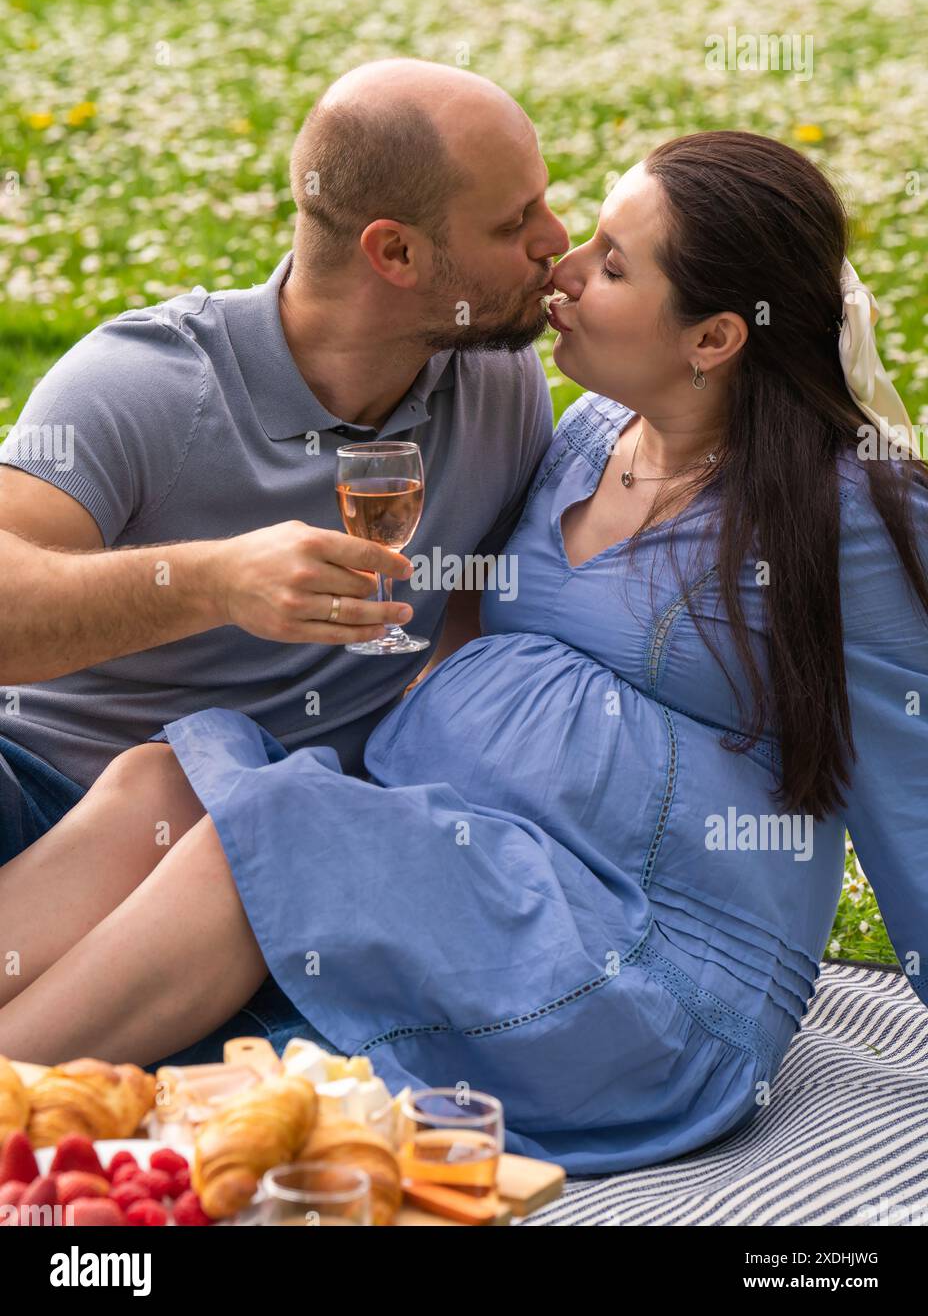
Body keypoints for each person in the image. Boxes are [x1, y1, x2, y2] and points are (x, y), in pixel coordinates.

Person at [2, 132, 926, 1175]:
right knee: (163, 779)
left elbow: (918, 791)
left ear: (713, 337)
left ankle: (9, 1092)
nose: (563, 265)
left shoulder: (844, 516)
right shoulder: (585, 438)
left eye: (614, 264)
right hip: (486, 889)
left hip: (643, 975)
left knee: (275, 830)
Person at [0, 56, 568, 865]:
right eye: (515, 224)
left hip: (258, 864)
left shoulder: (498, 384)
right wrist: (213, 583)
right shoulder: (148, 381)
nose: (558, 240)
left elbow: (476, 626)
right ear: (395, 253)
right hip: (39, 793)